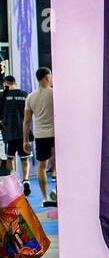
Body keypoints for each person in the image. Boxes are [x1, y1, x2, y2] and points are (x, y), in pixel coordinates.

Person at [23, 67, 54, 206]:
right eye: (51, 76)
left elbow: (27, 121)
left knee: (42, 167)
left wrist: (25, 140)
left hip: (41, 135)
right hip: (55, 134)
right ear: (47, 77)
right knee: (61, 165)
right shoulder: (54, 93)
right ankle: (59, 192)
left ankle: (45, 197)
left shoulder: (31, 96)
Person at [0, 76, 27, 180]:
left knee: (9, 158)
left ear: (5, 84)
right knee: (25, 159)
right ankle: (26, 180)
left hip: (8, 133)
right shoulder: (25, 95)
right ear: (14, 83)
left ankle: (11, 180)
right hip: (23, 133)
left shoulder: (2, 96)